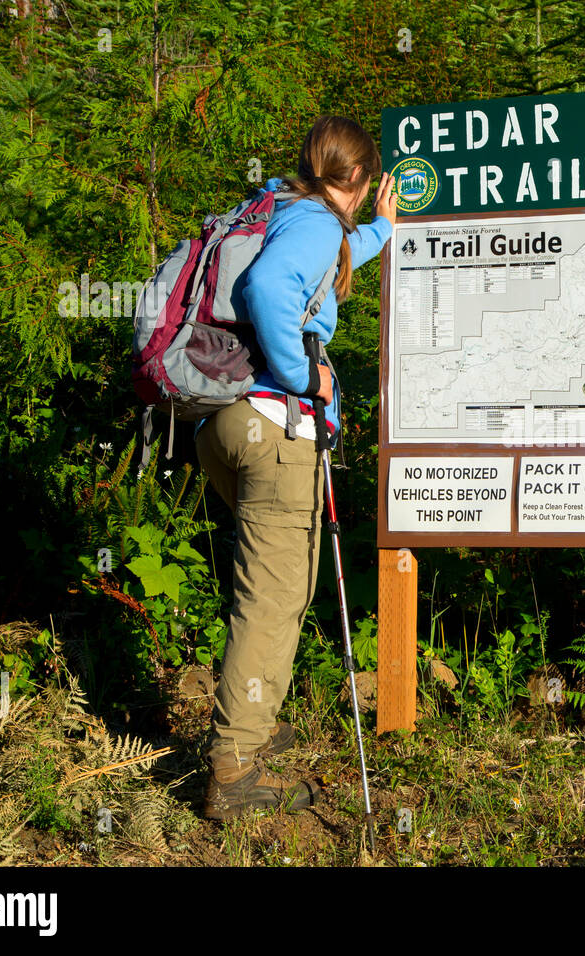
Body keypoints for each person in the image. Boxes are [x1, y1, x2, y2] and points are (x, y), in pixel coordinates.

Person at [194, 115, 397, 820]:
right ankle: (233, 770)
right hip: (275, 423)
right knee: (275, 597)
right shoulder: (312, 226)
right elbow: (272, 289)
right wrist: (302, 375)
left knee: (270, 585)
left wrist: (382, 230)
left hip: (223, 420)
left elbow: (320, 257)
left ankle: (251, 716)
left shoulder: (278, 207)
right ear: (358, 176)